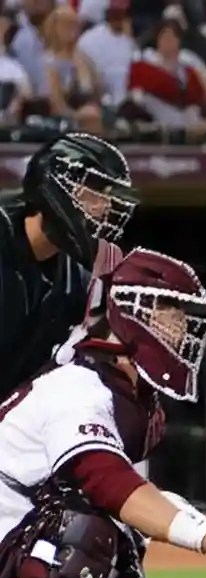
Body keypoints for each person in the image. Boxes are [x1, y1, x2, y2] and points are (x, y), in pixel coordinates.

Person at [0, 247, 206, 578]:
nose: (180, 328)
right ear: (132, 313)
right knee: (89, 535)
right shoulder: (78, 388)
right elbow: (109, 484)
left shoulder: (129, 396)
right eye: (170, 313)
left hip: (9, 539)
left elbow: (127, 505)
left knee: (124, 556)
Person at [0, 132, 136, 399]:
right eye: (95, 194)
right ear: (55, 186)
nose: (105, 209)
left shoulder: (77, 283)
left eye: (110, 199)